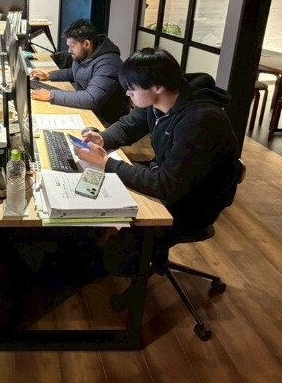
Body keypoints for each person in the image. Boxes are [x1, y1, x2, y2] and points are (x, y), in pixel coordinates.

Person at [75, 47, 240, 271]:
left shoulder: (200, 120)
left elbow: (167, 185)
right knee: (94, 198)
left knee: (112, 258)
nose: (127, 93)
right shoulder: (159, 101)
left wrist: (107, 163)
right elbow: (128, 126)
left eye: (132, 88)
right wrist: (103, 138)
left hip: (193, 204)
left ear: (158, 87)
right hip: (169, 179)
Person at [30, 19, 127, 125]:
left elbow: (91, 99)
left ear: (86, 44)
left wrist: (51, 95)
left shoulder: (109, 64)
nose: (69, 51)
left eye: (72, 46)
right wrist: (49, 75)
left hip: (104, 121)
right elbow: (74, 73)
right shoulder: (85, 55)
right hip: (88, 109)